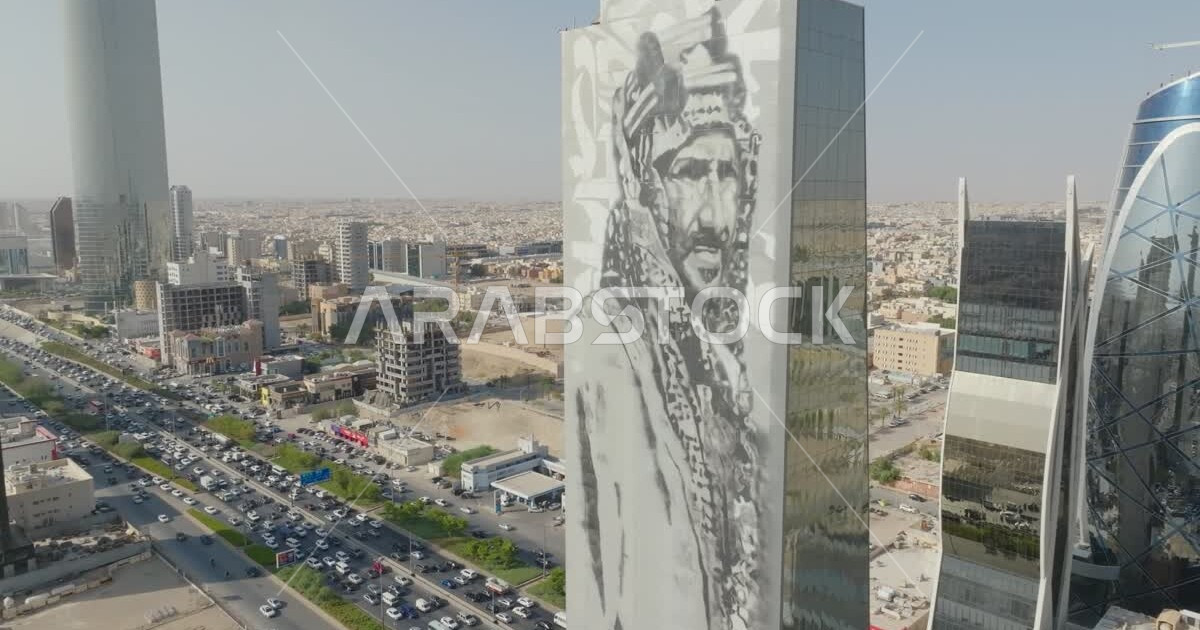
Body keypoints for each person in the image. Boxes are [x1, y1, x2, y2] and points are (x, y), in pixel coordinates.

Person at [573, 7, 764, 630]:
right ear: (645, 188)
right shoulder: (614, 351)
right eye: (687, 172)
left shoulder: (714, 354)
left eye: (727, 173)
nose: (715, 217)